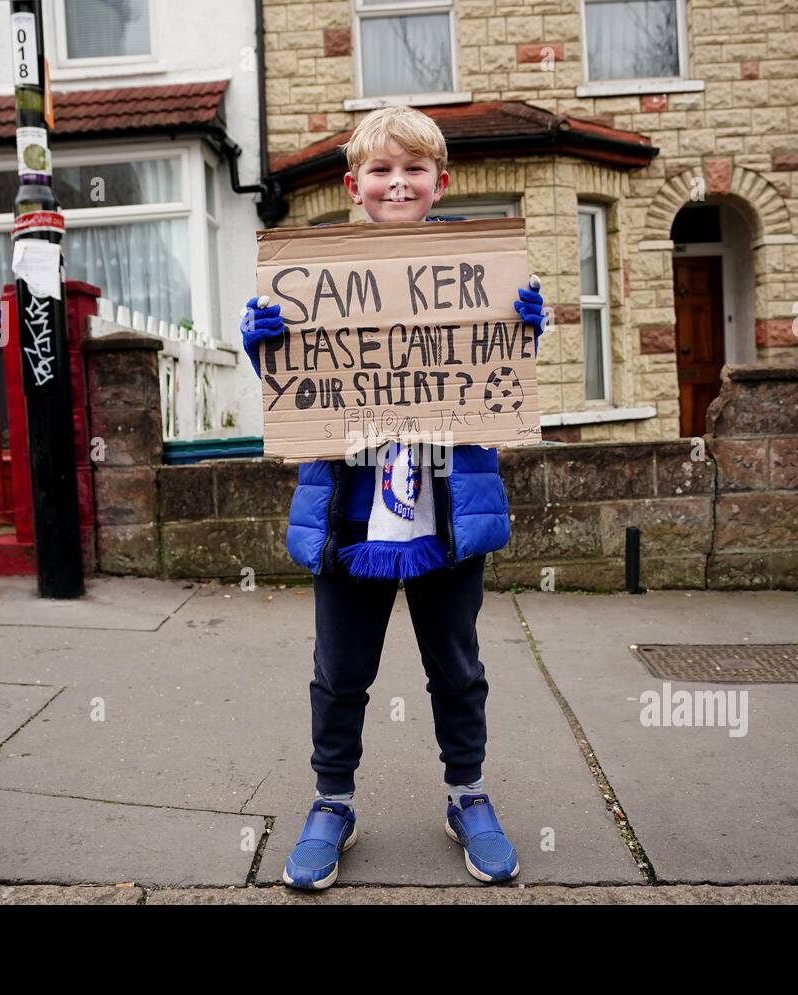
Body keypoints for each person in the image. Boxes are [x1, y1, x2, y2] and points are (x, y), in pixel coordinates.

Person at [240, 106, 547, 889]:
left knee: (457, 666)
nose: (398, 182)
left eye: (414, 169)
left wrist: (520, 333)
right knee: (340, 671)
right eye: (381, 170)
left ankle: (466, 793)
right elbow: (303, 393)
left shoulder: (473, 266)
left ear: (440, 183)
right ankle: (332, 802)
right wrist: (265, 348)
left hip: (447, 512)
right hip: (348, 516)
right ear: (354, 186)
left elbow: (490, 379)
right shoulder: (318, 278)